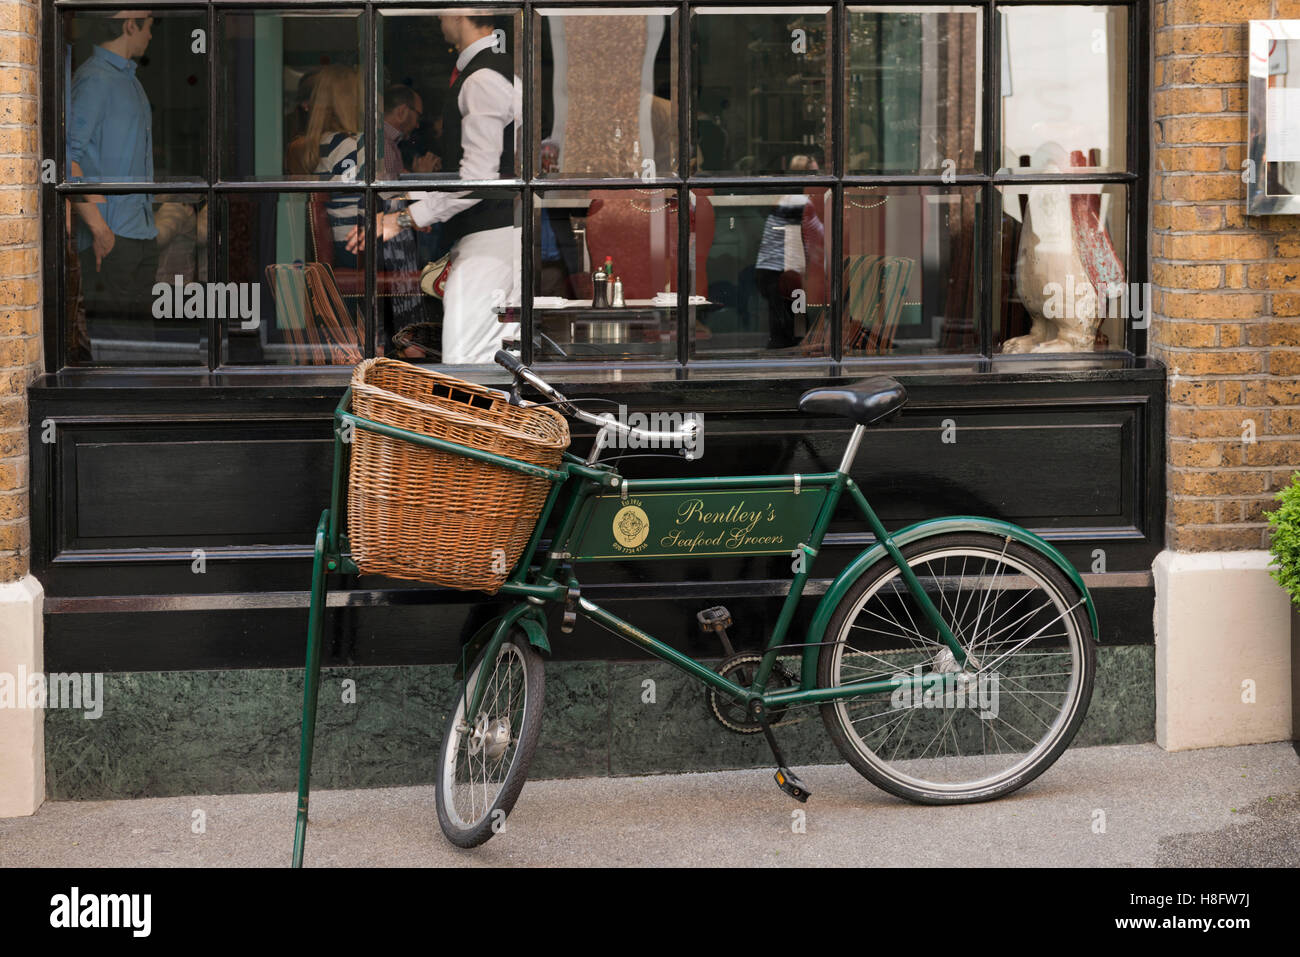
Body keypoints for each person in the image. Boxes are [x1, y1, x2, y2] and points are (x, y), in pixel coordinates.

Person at [350, 13, 522, 365]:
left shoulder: (482, 79)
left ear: (460, 11)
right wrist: (412, 202)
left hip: (489, 244)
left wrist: (402, 218)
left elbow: (478, 178)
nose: (439, 15)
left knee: (466, 364)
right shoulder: (498, 72)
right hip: (501, 238)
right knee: (495, 363)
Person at [303, 65, 427, 346]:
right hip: (358, 247)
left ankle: (401, 336)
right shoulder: (357, 145)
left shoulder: (320, 144)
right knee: (416, 235)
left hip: (336, 244)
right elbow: (387, 198)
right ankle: (411, 338)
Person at [67, 11, 159, 328]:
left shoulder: (128, 79)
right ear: (129, 24)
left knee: (140, 351)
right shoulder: (95, 79)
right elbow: (66, 156)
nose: (151, 35)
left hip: (139, 233)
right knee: (118, 350)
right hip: (111, 239)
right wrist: (99, 228)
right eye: (149, 26)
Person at [754, 155, 824, 349]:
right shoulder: (799, 201)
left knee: (783, 325)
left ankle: (784, 361)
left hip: (770, 270)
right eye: (816, 173)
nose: (819, 178)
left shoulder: (787, 198)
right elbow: (816, 235)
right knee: (796, 327)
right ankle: (795, 366)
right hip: (785, 272)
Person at [381, 84, 438, 178]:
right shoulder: (385, 145)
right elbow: (389, 192)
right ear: (402, 112)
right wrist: (421, 177)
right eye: (418, 116)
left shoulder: (388, 142)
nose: (417, 125)